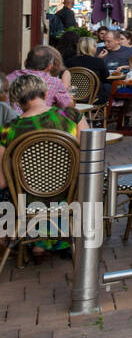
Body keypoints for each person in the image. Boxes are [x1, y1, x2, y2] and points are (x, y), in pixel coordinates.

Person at [0, 74, 83, 258]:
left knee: (6, 194)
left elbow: (2, 181)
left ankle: (29, 241)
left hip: (27, 199)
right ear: (45, 93)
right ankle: (56, 240)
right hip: (68, 194)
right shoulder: (71, 116)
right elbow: (87, 157)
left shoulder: (8, 129)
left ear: (17, 102)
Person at [6, 45, 75, 113]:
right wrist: (70, 94)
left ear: (25, 62)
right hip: (36, 122)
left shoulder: (8, 78)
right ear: (50, 66)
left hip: (8, 121)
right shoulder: (54, 82)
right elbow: (67, 106)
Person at [66, 36, 112, 104]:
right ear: (93, 47)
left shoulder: (69, 62)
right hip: (93, 97)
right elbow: (106, 77)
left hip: (73, 96)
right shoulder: (98, 61)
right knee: (108, 85)